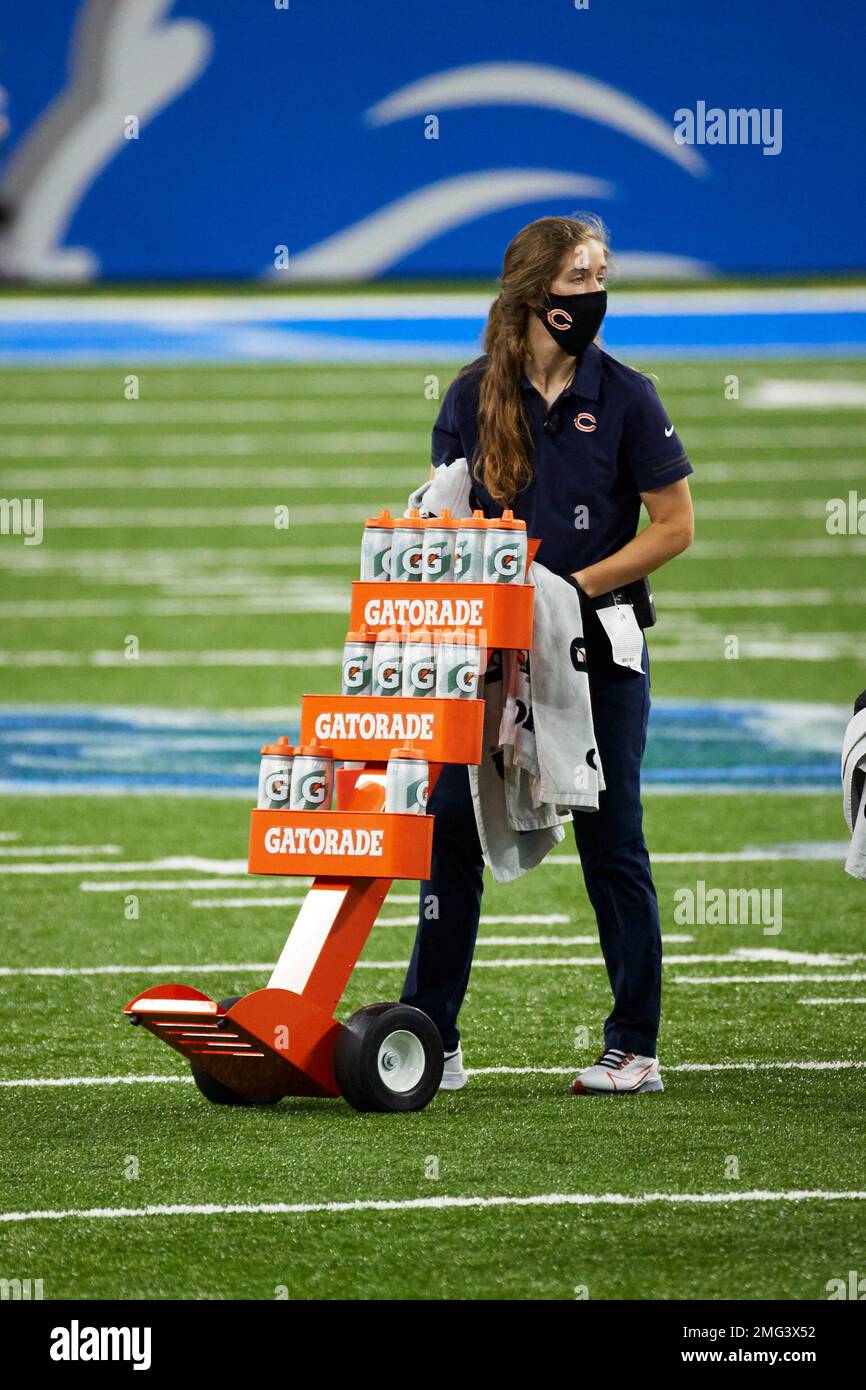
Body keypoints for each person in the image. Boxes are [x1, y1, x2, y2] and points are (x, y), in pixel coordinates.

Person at [400, 214, 695, 1096]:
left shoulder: (630, 394)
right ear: (535, 293)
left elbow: (675, 527)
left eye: (602, 274)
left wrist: (572, 586)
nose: (593, 293)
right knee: (449, 823)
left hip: (598, 646)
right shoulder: (469, 395)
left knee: (612, 841)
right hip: (492, 655)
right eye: (577, 278)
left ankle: (633, 1044)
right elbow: (446, 520)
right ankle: (432, 1034)